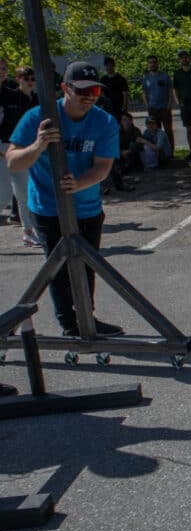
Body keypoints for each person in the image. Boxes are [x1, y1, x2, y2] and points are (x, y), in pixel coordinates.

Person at [6, 61, 125, 337]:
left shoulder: (104, 121)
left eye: (94, 90)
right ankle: (69, 324)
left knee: (87, 265)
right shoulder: (38, 117)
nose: (89, 96)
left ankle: (87, 317)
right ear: (64, 88)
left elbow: (103, 166)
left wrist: (78, 183)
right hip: (49, 207)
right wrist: (38, 146)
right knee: (57, 268)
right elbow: (13, 162)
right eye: (82, 90)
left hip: (87, 206)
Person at [0, 66, 43, 246]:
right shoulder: (8, 95)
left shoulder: (37, 99)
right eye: (26, 78)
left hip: (27, 149)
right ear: (18, 80)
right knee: (3, 194)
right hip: (6, 147)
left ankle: (28, 231)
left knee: (24, 193)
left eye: (32, 78)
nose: (30, 81)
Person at [172, 50, 191, 161]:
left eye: (186, 57)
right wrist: (178, 101)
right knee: (189, 128)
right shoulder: (177, 73)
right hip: (185, 103)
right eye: (182, 58)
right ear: (179, 60)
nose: (184, 59)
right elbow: (175, 88)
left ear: (189, 58)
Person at [141, 55, 174, 152]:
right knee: (155, 132)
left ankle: (170, 152)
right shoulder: (146, 78)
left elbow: (170, 91)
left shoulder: (165, 76)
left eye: (154, 62)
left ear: (157, 63)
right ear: (148, 64)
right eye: (150, 62)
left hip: (164, 108)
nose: (152, 64)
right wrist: (147, 106)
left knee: (168, 131)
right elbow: (144, 93)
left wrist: (169, 105)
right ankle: (159, 152)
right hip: (153, 109)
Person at [100, 57, 129, 121]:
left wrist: (125, 107)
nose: (109, 67)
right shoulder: (103, 79)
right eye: (107, 65)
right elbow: (100, 94)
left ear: (114, 66)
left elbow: (125, 94)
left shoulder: (121, 79)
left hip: (119, 107)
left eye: (111, 65)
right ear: (105, 67)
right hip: (107, 108)